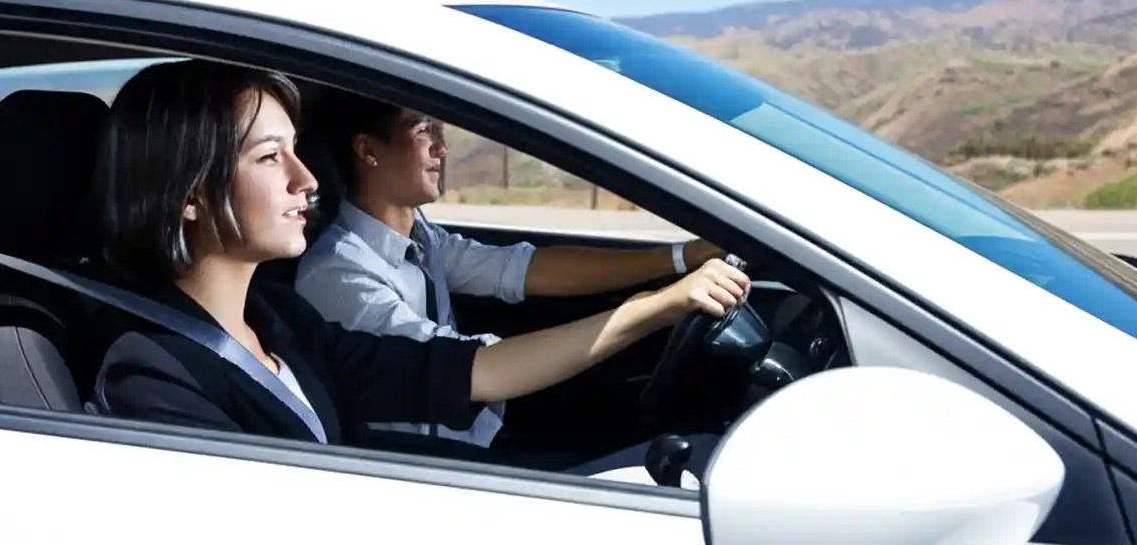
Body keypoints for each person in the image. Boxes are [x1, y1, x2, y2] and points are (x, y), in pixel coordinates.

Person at [90, 59, 748, 479]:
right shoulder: (152, 374)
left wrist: (664, 299)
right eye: (269, 159)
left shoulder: (281, 321)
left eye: (297, 151)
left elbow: (474, 370)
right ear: (190, 195)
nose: (306, 179)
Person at [294, 92, 730, 449]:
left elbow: (527, 269)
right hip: (428, 466)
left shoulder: (423, 239)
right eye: (423, 128)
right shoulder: (338, 275)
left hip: (481, 436)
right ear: (368, 150)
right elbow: (471, 370)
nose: (442, 147)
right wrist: (654, 307)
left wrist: (679, 257)